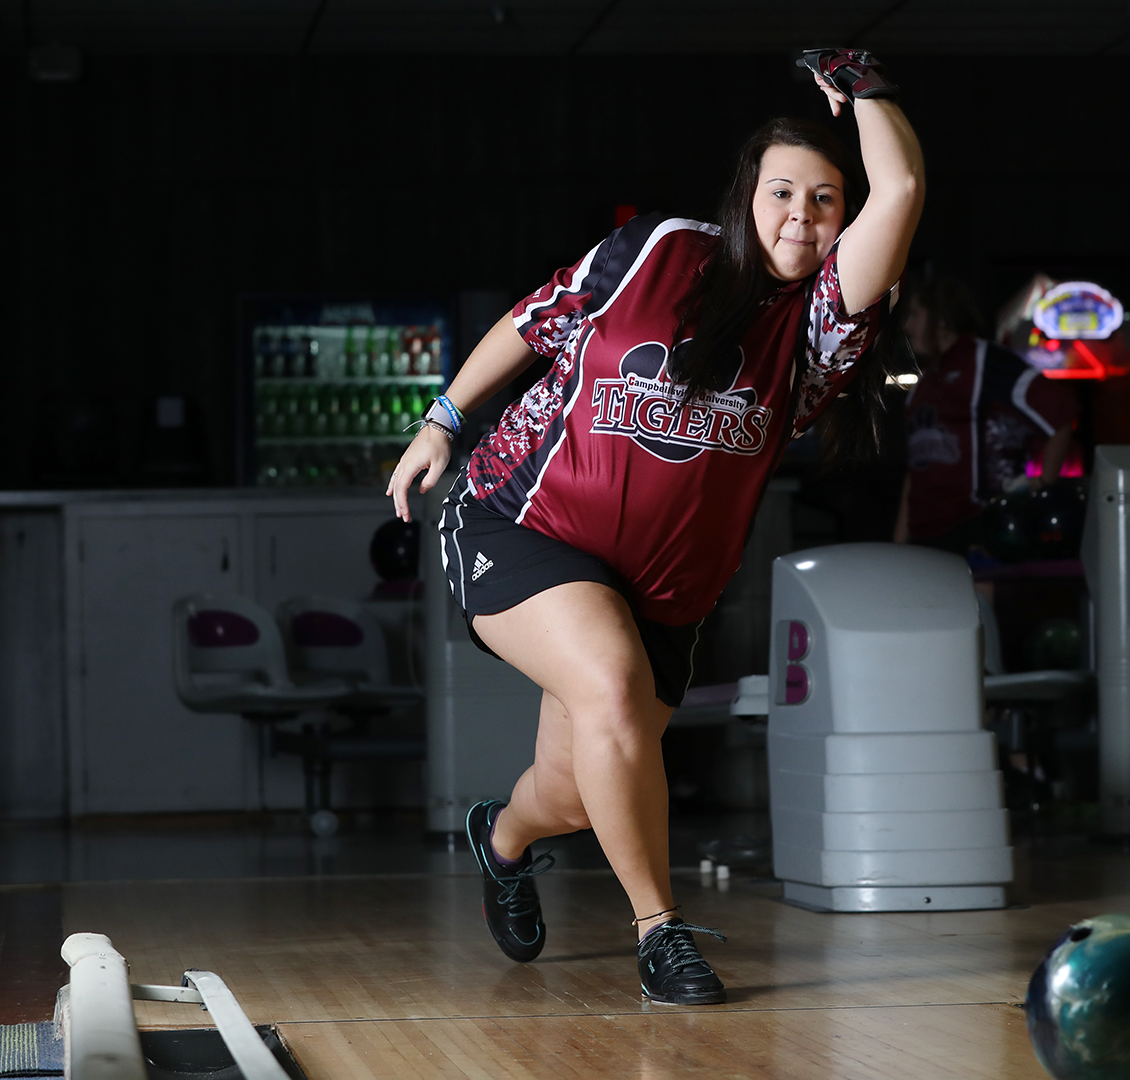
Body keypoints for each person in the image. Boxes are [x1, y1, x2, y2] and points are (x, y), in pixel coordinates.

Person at [384, 50, 923, 1003]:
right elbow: (532, 320)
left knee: (576, 791)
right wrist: (444, 417)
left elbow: (906, 185)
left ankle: (502, 837)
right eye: (782, 192)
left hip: (665, 591)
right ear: (743, 201)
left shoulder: (823, 328)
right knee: (611, 687)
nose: (802, 214)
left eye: (825, 200)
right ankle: (660, 932)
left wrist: (866, 91)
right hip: (519, 519)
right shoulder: (662, 250)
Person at [893, 276, 1078, 553]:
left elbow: (1062, 409)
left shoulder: (985, 362)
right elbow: (917, 468)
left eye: (916, 315)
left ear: (941, 319)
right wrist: (899, 545)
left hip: (974, 535)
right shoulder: (925, 383)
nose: (907, 326)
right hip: (924, 540)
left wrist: (1041, 490)